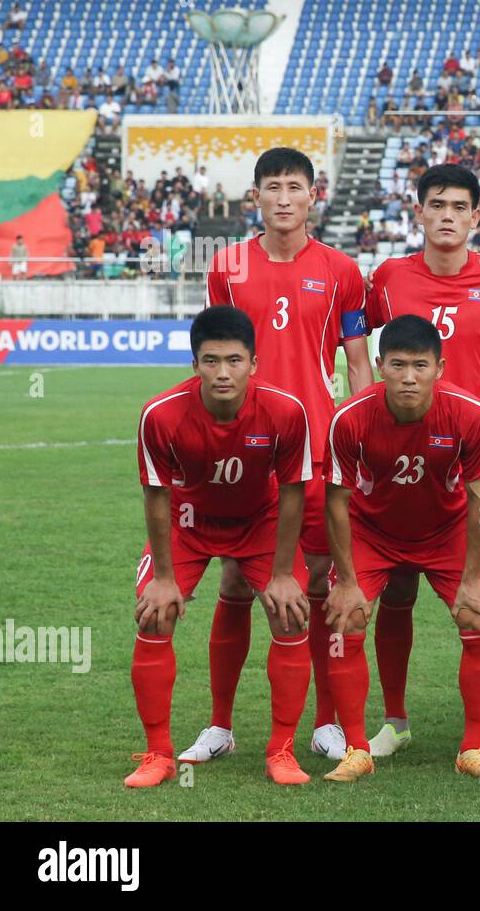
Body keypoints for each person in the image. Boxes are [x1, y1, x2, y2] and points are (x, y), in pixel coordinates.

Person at [189, 147, 373, 767]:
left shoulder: (344, 270)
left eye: (296, 186)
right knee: (238, 578)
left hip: (319, 445)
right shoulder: (228, 265)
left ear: (312, 196)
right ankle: (219, 725)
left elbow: (355, 358)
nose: (285, 197)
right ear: (258, 197)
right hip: (249, 449)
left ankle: (323, 722)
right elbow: (213, 356)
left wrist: (366, 427)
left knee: (318, 580)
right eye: (273, 187)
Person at [362, 164, 480, 760]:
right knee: (397, 583)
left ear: (476, 217)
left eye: (460, 207)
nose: (447, 216)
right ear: (419, 212)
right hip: (401, 455)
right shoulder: (387, 278)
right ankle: (395, 718)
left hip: (477, 457)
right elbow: (359, 339)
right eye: (436, 204)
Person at [126, 305, 313, 788]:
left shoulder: (285, 411)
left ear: (254, 362)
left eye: (234, 360)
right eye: (211, 361)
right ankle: (157, 754)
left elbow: (293, 492)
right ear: (194, 364)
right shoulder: (160, 414)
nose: (223, 372)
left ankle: (282, 751)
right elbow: (157, 496)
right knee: (154, 612)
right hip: (189, 523)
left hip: (259, 520)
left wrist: (282, 572)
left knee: (290, 612)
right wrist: (165, 579)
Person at [321, 314, 480, 782]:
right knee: (346, 616)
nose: (408, 377)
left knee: (479, 614)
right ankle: (357, 748)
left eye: (420, 366)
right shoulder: (351, 417)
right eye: (397, 365)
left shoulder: (470, 414)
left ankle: (472, 748)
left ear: (440, 368)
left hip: (446, 530)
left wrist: (470, 579)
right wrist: (344, 582)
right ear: (379, 365)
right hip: (372, 531)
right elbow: (337, 502)